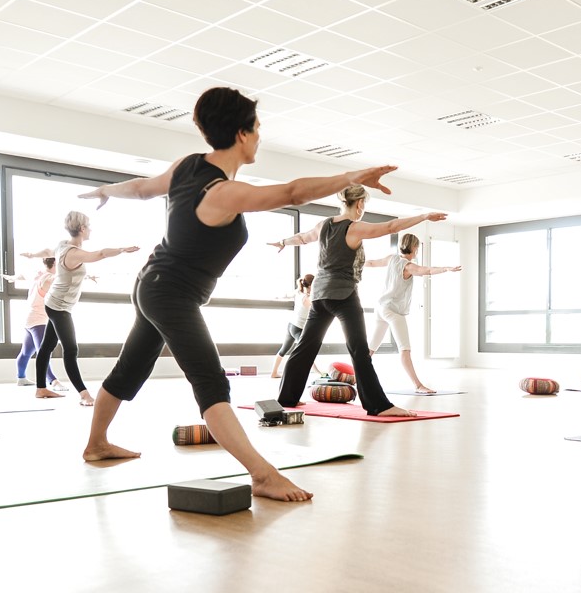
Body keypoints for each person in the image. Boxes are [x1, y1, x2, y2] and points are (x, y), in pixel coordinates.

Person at [76, 86, 400, 502]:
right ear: (243, 134)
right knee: (211, 383)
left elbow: (141, 188)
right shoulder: (221, 192)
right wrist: (351, 176)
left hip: (152, 286)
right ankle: (262, 474)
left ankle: (96, 444)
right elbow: (292, 193)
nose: (261, 135)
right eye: (258, 127)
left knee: (131, 368)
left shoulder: (186, 167)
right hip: (170, 293)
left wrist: (107, 191)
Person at [272, 185, 447, 416]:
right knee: (359, 351)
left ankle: (287, 398)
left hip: (320, 295)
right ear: (361, 204)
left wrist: (284, 242)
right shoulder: (353, 228)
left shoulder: (323, 225)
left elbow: (303, 238)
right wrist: (424, 216)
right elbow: (391, 226)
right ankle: (378, 406)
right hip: (343, 295)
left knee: (305, 347)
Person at [32, 212, 139, 406]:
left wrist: (33, 254)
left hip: (54, 303)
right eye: (88, 226)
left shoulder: (62, 245)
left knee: (47, 346)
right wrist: (122, 249)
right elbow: (100, 254)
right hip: (59, 307)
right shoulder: (73, 252)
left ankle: (41, 388)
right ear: (82, 229)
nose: (90, 229)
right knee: (71, 349)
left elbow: (49, 250)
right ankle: (84, 394)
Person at [365, 233, 461, 394]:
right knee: (405, 349)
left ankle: (354, 377)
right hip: (393, 311)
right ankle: (418, 386)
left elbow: (372, 263)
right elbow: (427, 270)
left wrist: (354, 262)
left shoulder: (391, 258)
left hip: (381, 308)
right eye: (417, 247)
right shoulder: (407, 266)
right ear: (414, 248)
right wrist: (446, 269)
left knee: (371, 349)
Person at [3, 256, 67, 390]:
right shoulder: (49, 278)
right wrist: (85, 276)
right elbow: (67, 277)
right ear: (55, 263)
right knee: (43, 351)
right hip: (38, 320)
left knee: (26, 352)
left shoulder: (38, 274)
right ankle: (53, 381)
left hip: (30, 319)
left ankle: (21, 378)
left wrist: (13, 278)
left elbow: (22, 275)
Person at [271, 274, 321, 379]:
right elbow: (316, 309)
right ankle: (318, 373)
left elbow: (286, 295)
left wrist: (277, 296)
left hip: (291, 326)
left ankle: (274, 372)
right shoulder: (306, 298)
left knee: (283, 350)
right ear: (311, 285)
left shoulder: (298, 292)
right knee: (306, 351)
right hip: (297, 328)